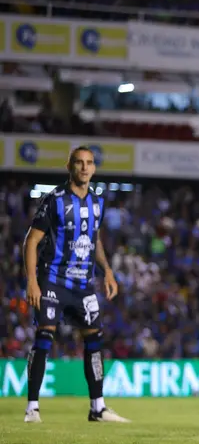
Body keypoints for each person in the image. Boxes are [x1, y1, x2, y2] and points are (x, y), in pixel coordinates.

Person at [23, 146, 129, 423]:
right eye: (79, 163)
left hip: (83, 284)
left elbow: (94, 240)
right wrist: (32, 281)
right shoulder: (55, 199)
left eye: (89, 163)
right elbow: (31, 240)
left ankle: (98, 408)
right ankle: (32, 407)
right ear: (69, 166)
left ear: (94, 168)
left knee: (94, 338)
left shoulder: (97, 202)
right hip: (53, 280)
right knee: (45, 336)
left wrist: (106, 271)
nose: (84, 167)